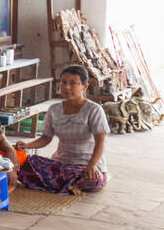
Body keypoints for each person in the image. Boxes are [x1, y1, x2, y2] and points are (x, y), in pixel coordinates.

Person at [14, 64, 110, 194]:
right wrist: (27, 145)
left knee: (94, 180)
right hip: (61, 164)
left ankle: (66, 183)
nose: (67, 87)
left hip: (86, 165)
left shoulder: (94, 110)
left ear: (84, 86)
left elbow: (101, 142)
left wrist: (92, 165)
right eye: (63, 82)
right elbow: (46, 138)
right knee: (25, 165)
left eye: (73, 83)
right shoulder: (54, 109)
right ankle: (70, 185)